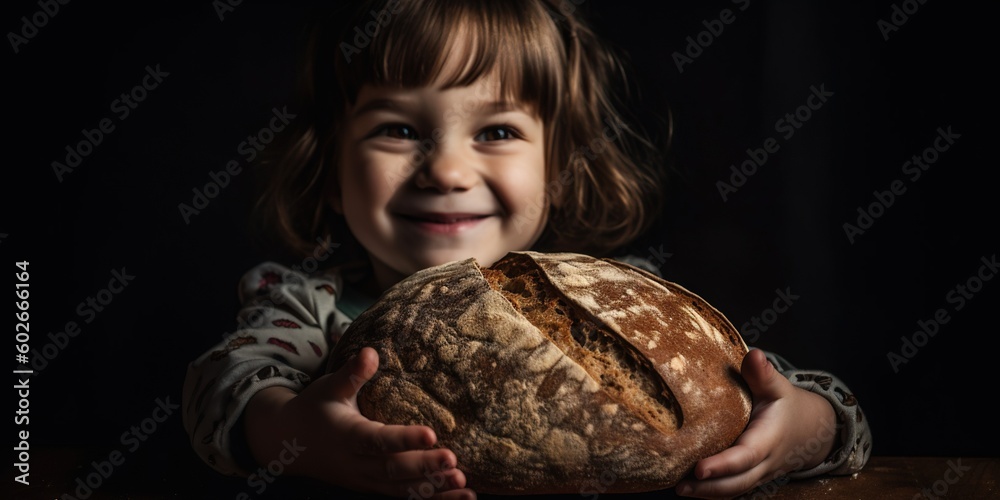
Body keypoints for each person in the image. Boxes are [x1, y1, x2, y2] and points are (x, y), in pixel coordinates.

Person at [181, 1, 871, 498]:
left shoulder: (622, 301)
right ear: (328, 171)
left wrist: (798, 433)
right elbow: (224, 390)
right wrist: (300, 436)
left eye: (498, 133)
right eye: (398, 129)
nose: (447, 170)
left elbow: (797, 399)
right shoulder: (307, 309)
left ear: (561, 166)